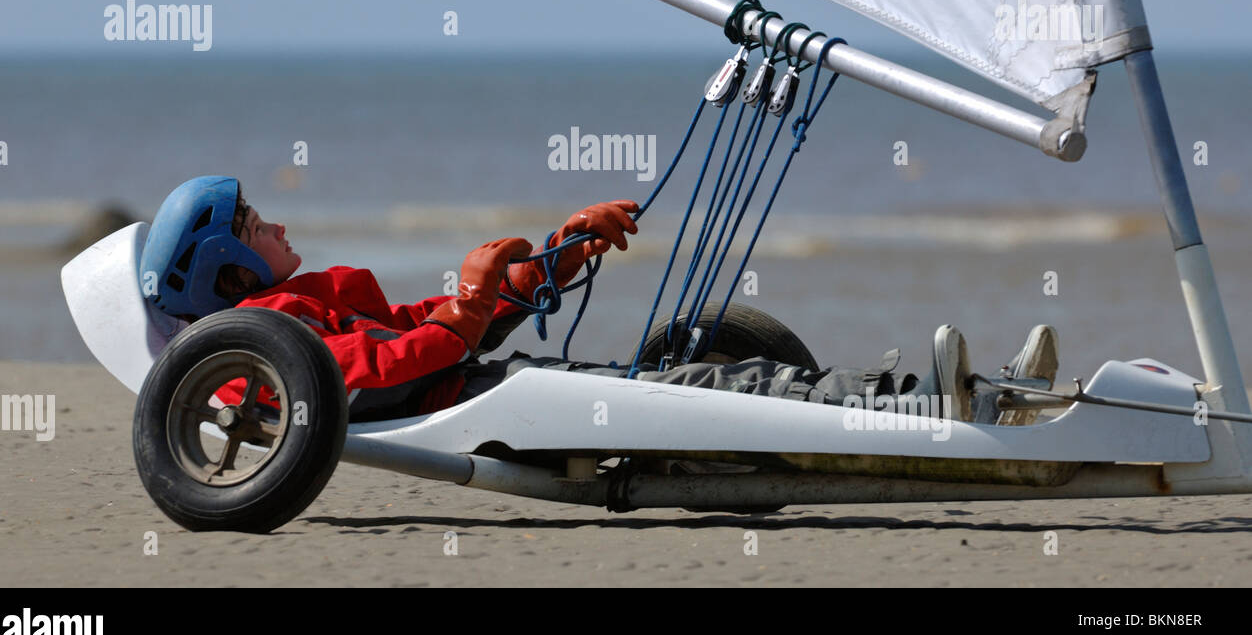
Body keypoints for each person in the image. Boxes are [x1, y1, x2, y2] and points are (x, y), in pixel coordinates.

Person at [140, 176, 1058, 425]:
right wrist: (463, 311)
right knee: (718, 390)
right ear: (227, 270)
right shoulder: (264, 349)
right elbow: (367, 378)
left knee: (703, 376)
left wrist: (550, 261)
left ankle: (958, 395)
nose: (279, 224)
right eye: (256, 222)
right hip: (499, 412)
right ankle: (947, 403)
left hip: (505, 392)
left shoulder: (298, 317)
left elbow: (430, 327)